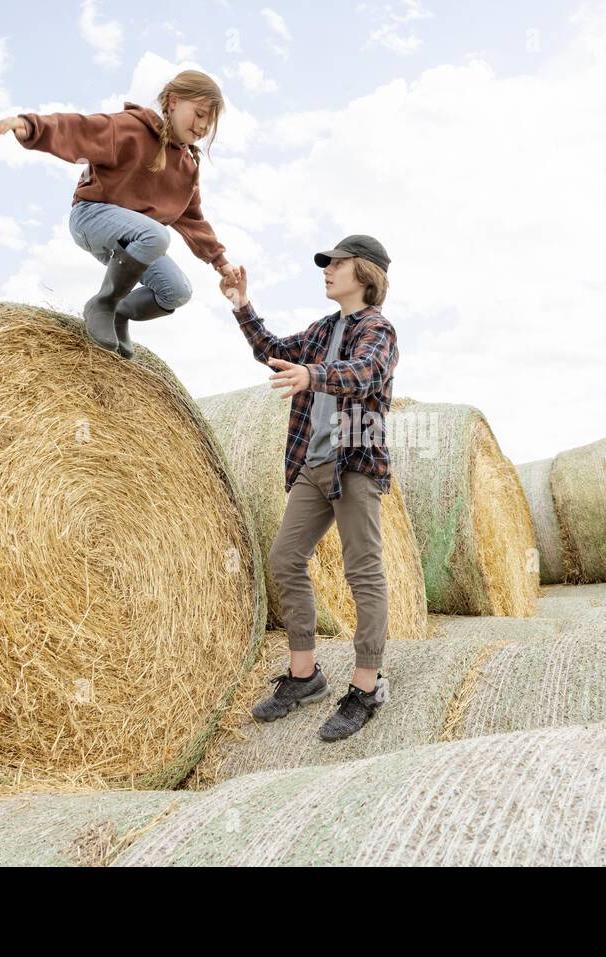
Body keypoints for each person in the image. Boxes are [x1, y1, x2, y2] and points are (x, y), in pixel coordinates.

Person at [221, 236, 398, 741]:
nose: (327, 270)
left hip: (354, 462)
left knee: (362, 570)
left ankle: (367, 685)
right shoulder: (323, 329)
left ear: (363, 274)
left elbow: (364, 374)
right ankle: (305, 676)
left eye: (336, 264)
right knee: (285, 558)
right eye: (327, 264)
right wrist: (241, 304)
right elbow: (273, 352)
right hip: (311, 464)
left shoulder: (378, 330)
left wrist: (313, 375)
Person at [0, 69, 239, 358]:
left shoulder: (187, 168)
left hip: (131, 245)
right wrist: (33, 126)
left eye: (209, 122)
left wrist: (220, 262)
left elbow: (194, 220)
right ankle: (103, 303)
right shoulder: (132, 128)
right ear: (173, 101)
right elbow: (84, 130)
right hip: (90, 217)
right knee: (156, 234)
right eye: (198, 114)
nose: (202, 127)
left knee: (177, 290)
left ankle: (118, 313)